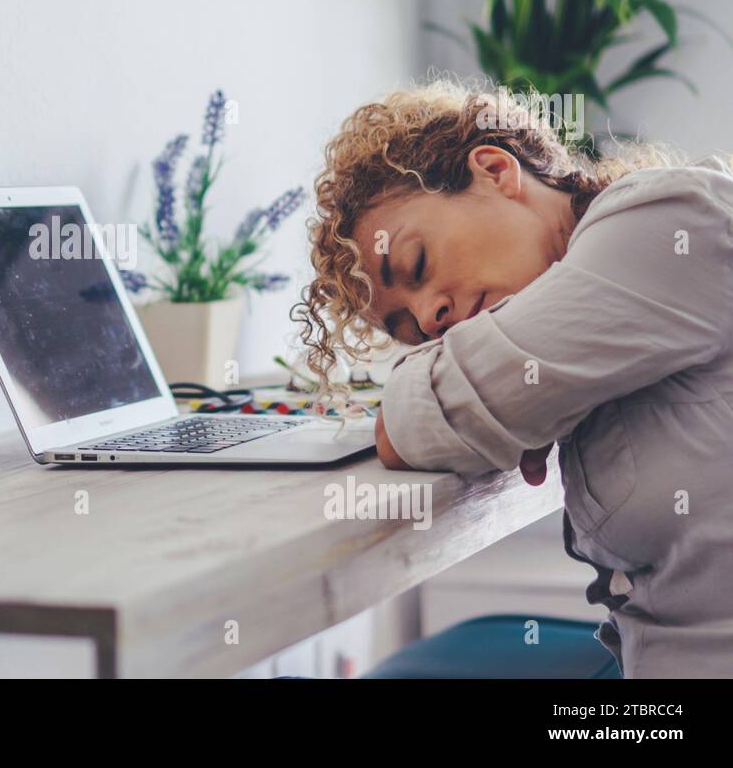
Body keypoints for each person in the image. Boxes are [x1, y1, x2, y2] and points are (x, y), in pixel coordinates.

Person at [297, 80, 733, 677]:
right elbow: (463, 400)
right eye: (408, 330)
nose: (430, 318)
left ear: (496, 170)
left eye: (416, 265)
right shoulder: (596, 333)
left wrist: (491, 394)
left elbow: (407, 428)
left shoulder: (670, 222)